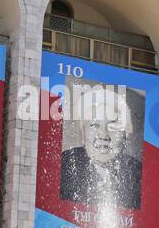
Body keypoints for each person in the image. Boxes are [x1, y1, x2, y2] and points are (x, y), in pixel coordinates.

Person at [59, 81, 144, 209]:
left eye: (113, 127)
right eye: (94, 125)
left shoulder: (138, 174)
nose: (104, 136)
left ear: (126, 135)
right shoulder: (65, 165)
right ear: (83, 132)